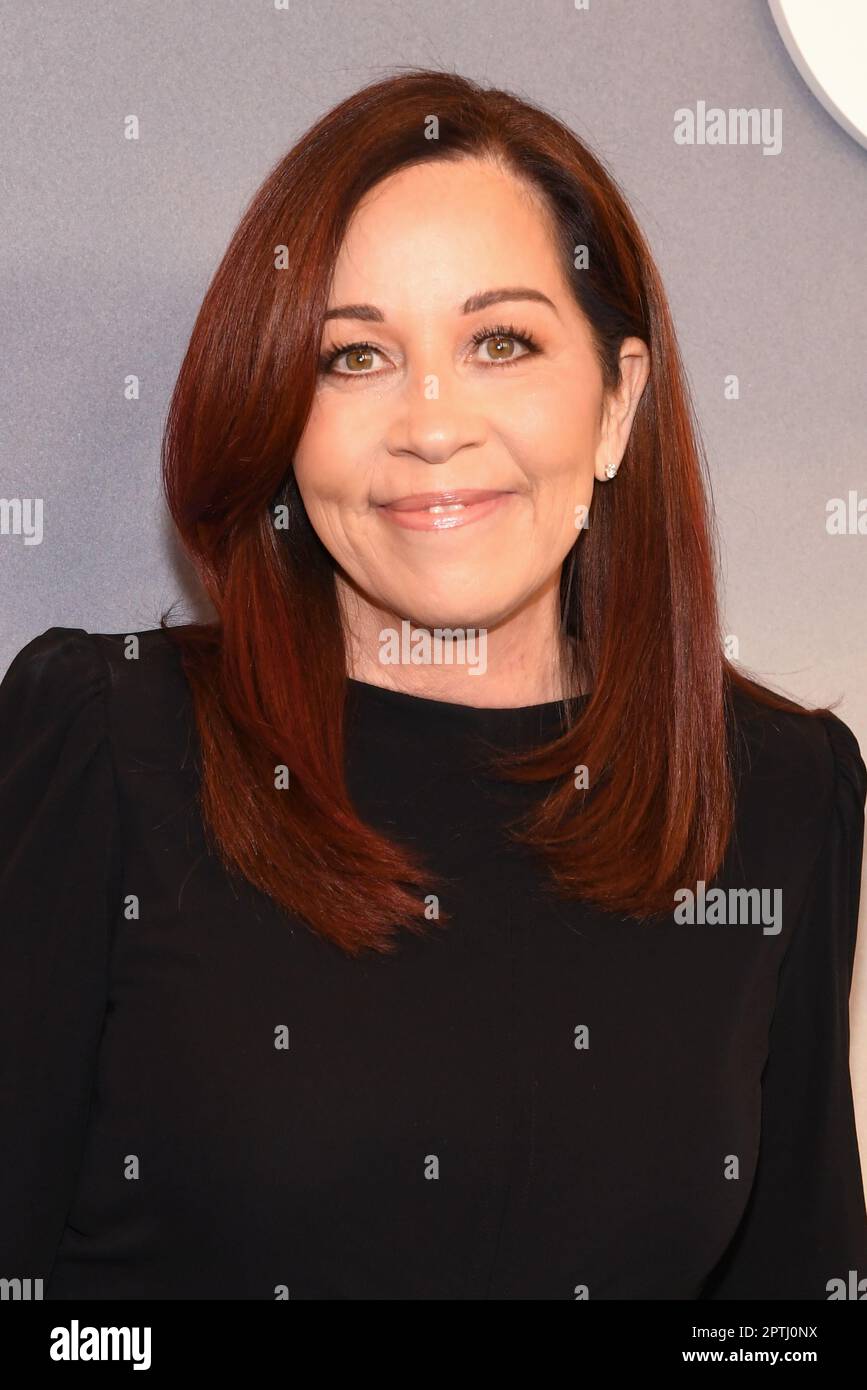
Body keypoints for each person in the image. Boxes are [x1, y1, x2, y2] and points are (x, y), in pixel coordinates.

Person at [1, 68, 865, 1300]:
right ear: (281, 420)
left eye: (499, 342)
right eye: (354, 356)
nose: (431, 422)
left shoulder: (775, 791)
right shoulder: (108, 740)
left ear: (618, 405)